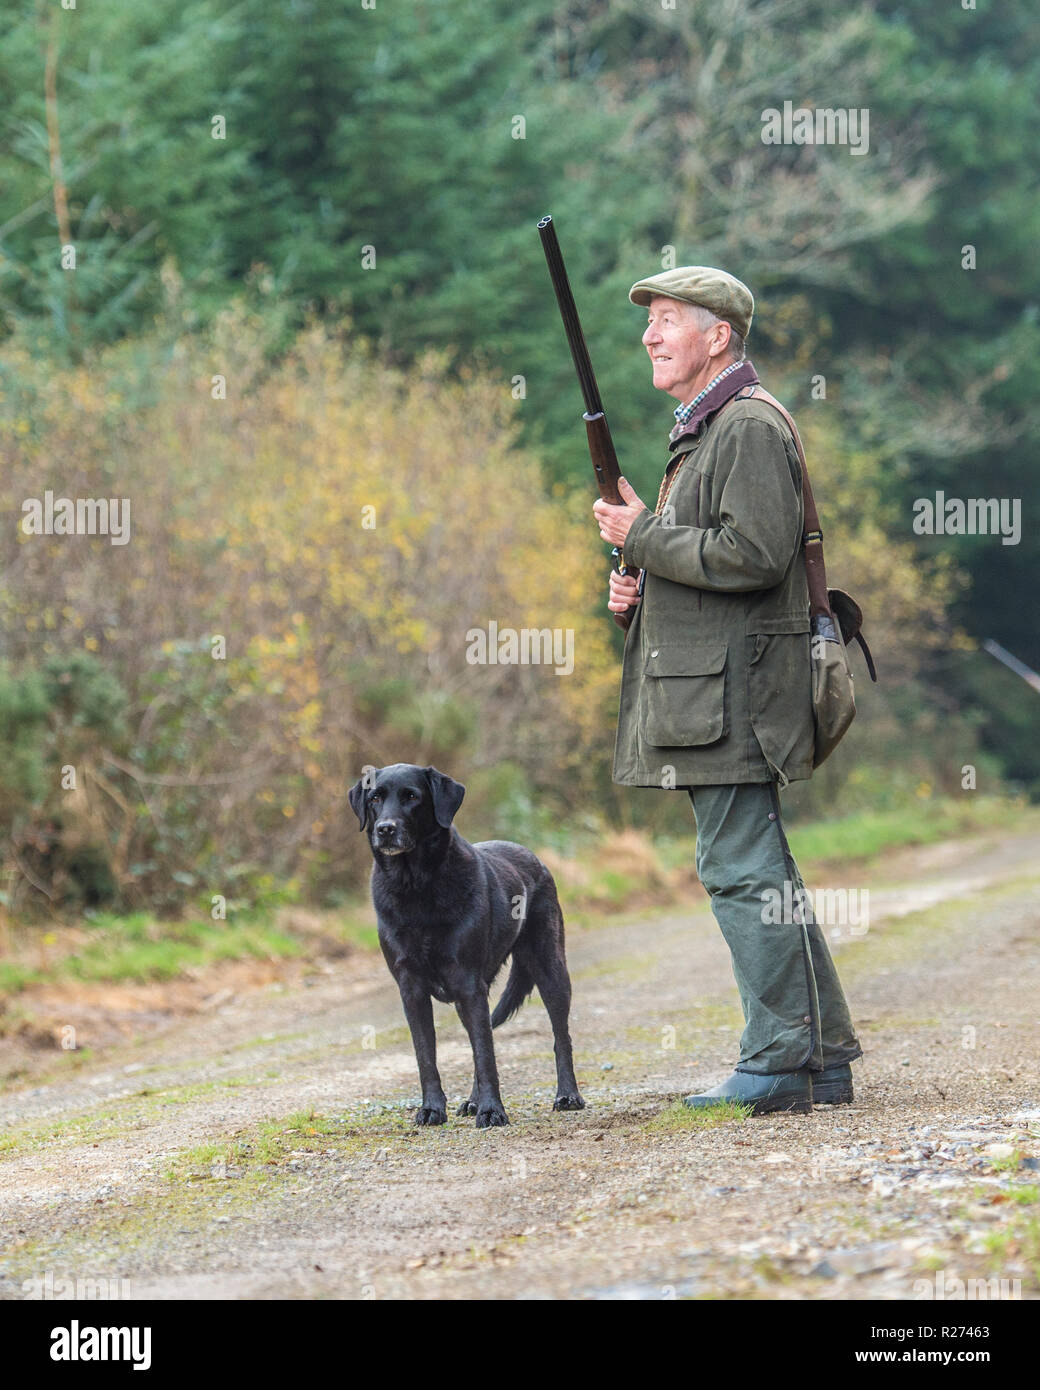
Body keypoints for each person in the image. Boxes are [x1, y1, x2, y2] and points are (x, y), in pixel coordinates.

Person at [592, 266, 862, 1114]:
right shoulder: (708, 428)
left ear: (719, 337)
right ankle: (820, 1055)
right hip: (715, 688)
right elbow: (704, 553)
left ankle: (780, 1057)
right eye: (650, 323)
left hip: (736, 693)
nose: (650, 335)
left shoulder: (742, 425)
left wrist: (645, 535)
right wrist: (640, 574)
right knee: (757, 863)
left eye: (669, 319)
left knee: (740, 865)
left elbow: (751, 556)